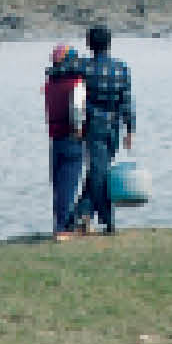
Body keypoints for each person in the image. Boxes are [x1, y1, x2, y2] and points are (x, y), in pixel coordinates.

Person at [73, 22, 137, 235]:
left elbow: (68, 80)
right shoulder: (122, 68)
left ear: (89, 44)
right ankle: (87, 217)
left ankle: (95, 218)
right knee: (99, 171)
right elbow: (126, 101)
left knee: (98, 173)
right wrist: (130, 130)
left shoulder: (84, 67)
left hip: (92, 124)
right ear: (109, 44)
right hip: (114, 124)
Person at [43, 42, 89, 238]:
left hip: (55, 140)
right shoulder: (76, 83)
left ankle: (61, 224)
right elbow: (77, 109)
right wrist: (79, 129)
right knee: (68, 185)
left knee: (58, 184)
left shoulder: (49, 85)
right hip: (72, 138)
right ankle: (63, 228)